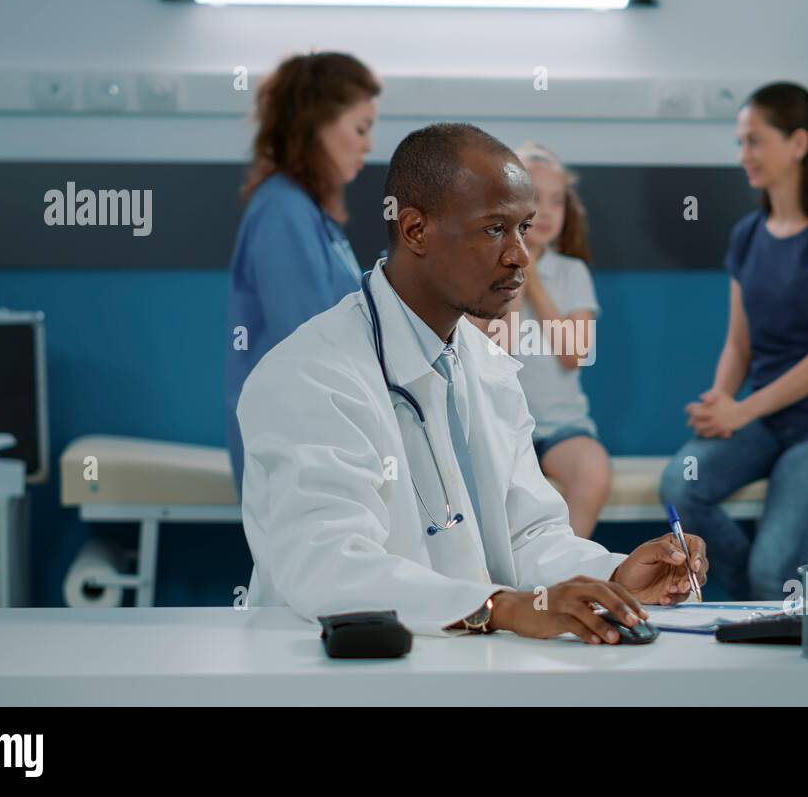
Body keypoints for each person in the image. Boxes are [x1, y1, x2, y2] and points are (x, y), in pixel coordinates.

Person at [238, 123, 708, 642]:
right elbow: (328, 565)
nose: (519, 256)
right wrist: (498, 607)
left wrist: (614, 576)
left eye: (524, 228)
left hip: (459, 667)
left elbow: (528, 533)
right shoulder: (312, 373)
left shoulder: (488, 368)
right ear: (415, 230)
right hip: (332, 675)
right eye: (494, 229)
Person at [659, 82, 808, 601]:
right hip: (765, 419)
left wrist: (741, 411)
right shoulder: (748, 235)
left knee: (774, 567)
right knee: (681, 486)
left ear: (798, 144)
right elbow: (740, 345)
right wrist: (722, 398)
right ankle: (745, 603)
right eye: (741, 143)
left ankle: (755, 603)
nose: (744, 156)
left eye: (755, 141)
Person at [225, 52, 380, 492]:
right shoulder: (283, 211)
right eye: (361, 128)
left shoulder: (310, 215)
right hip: (295, 446)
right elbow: (309, 342)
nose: (368, 145)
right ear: (317, 125)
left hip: (317, 438)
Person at [469, 142, 609, 538]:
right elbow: (497, 352)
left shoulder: (572, 272)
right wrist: (514, 275)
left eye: (556, 202)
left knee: (594, 471)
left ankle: (570, 569)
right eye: (534, 200)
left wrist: (534, 287)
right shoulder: (482, 273)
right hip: (502, 427)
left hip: (563, 427)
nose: (546, 212)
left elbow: (574, 354)